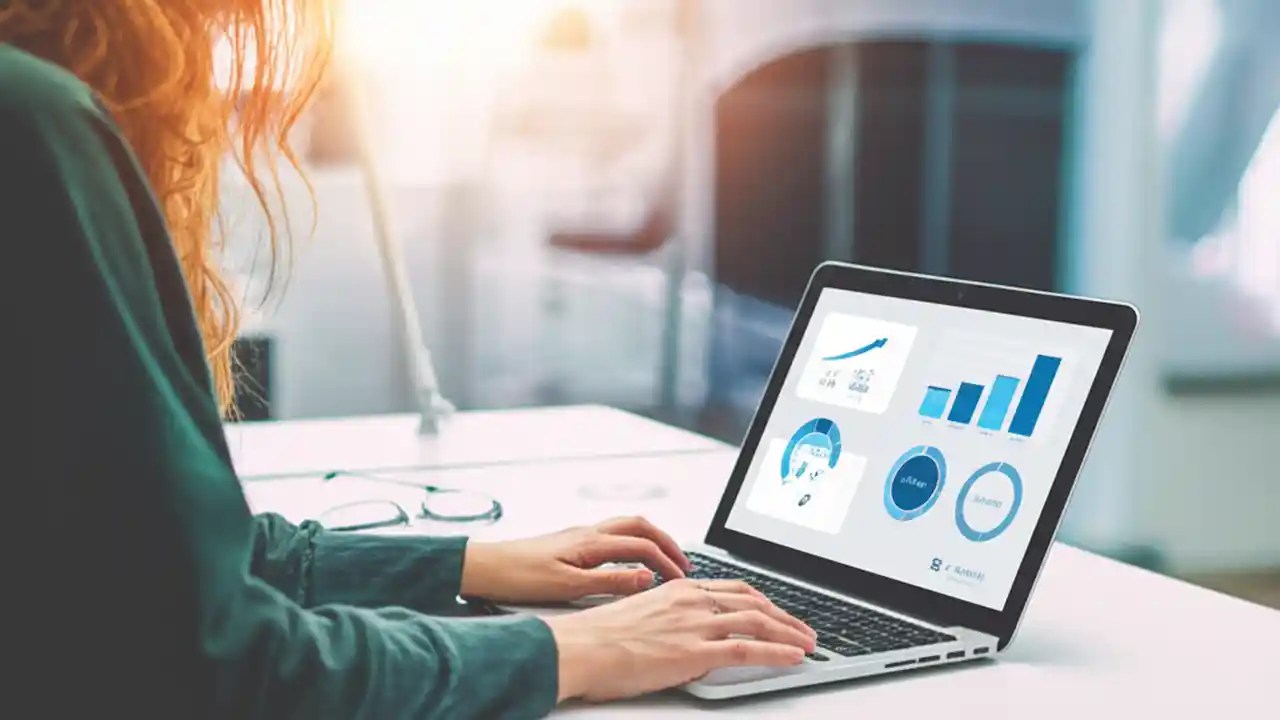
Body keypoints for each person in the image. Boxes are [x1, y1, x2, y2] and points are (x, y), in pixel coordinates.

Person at [5, 2, 815, 718]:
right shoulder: (30, 117)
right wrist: (575, 652)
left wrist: (473, 562)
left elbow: (147, 561)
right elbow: (212, 665)